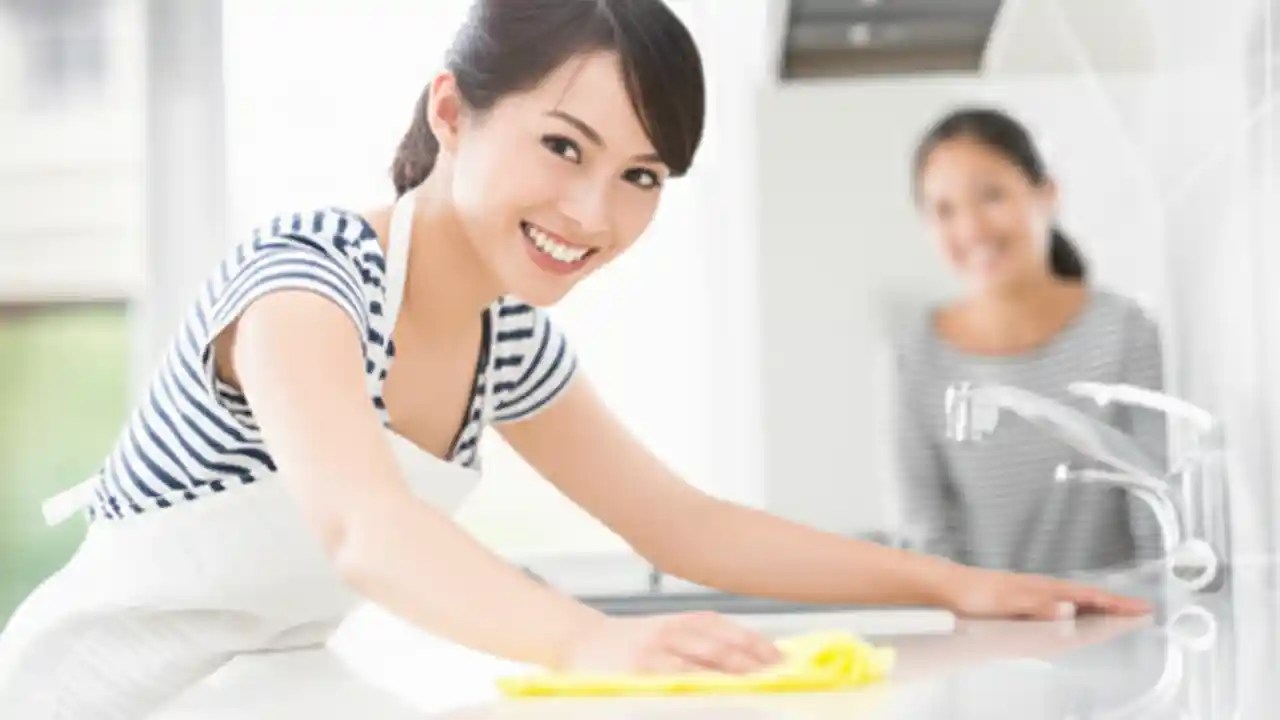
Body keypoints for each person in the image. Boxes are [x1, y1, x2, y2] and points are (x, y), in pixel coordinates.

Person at [0, 6, 1147, 717]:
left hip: (267, 691)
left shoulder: (509, 344)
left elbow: (685, 526)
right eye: (563, 146)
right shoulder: (304, 280)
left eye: (640, 176)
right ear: (450, 112)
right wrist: (590, 644)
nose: (594, 211)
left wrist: (958, 590)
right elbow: (364, 530)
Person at [895, 107, 1167, 574]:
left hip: (1122, 627)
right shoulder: (916, 357)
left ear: (1047, 194)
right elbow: (928, 540)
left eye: (991, 196)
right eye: (945, 210)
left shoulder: (1124, 332)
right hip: (986, 637)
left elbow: (1154, 524)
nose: (972, 228)